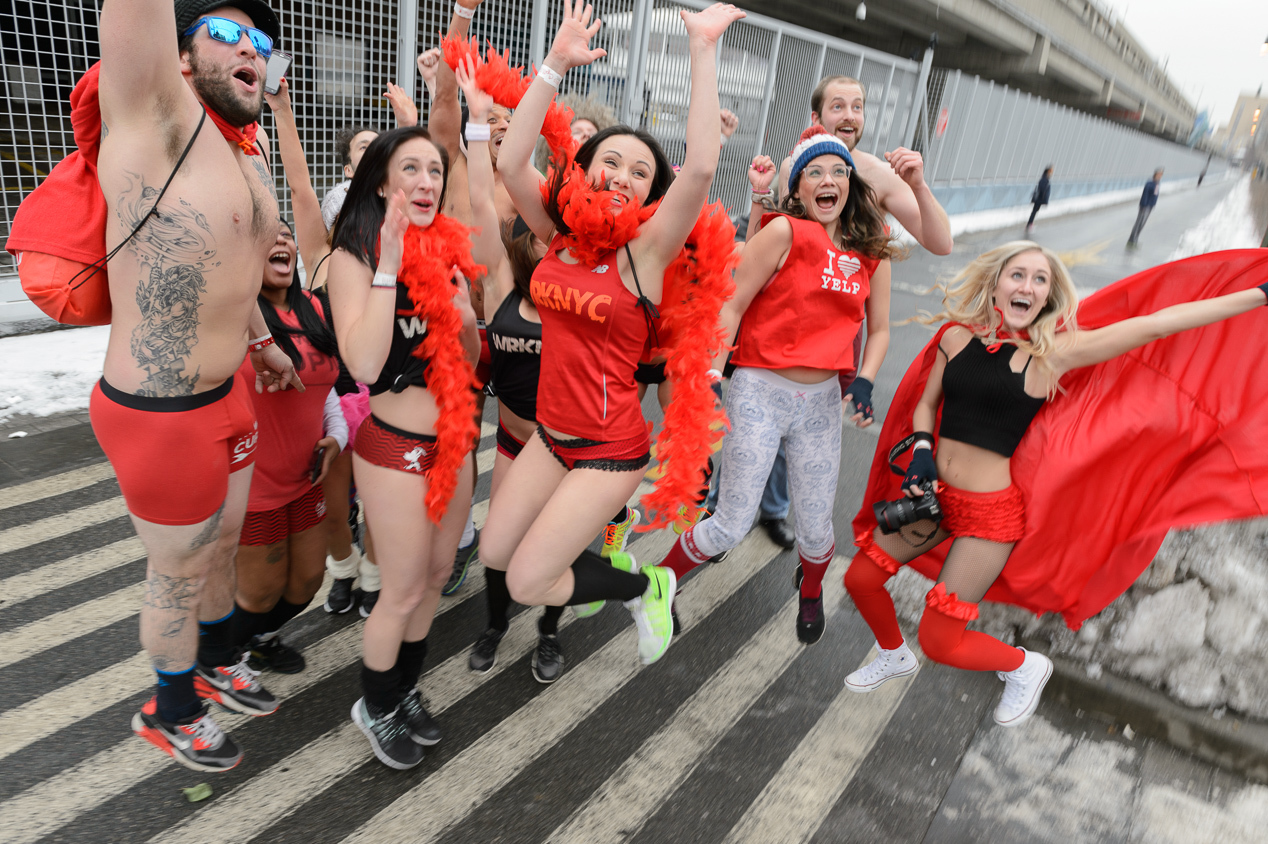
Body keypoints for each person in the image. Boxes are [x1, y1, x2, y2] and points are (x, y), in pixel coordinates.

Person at [842, 241, 1268, 728]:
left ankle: (1025, 666)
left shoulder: (1051, 355)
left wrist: (1258, 295)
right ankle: (893, 653)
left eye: (1040, 279)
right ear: (996, 283)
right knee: (861, 578)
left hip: (988, 516)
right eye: (1018, 274)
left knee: (941, 642)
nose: (1028, 285)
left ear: (1047, 297)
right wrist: (921, 450)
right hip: (935, 497)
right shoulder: (955, 338)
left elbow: (1156, 324)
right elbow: (925, 404)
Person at [483, 0, 744, 667]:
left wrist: (703, 48)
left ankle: (646, 583)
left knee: (527, 580)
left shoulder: (646, 254)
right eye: (611, 161)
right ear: (586, 168)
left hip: (608, 449)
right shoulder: (561, 240)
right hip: (550, 434)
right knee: (494, 551)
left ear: (651, 192)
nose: (622, 176)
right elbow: (513, 163)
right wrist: (554, 64)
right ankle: (610, 574)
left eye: (640, 171)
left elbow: (703, 170)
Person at [95, 0, 300, 772]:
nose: (255, 47)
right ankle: (170, 708)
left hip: (229, 389)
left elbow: (233, 270)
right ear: (181, 56)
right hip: (161, 411)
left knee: (223, 542)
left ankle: (215, 664)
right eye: (230, 32)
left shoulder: (238, 150)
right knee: (177, 570)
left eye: (262, 40)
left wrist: (265, 343)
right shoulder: (155, 117)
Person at [656, 132, 893, 644]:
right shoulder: (785, 232)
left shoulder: (873, 251)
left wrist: (867, 380)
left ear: (851, 184)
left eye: (839, 171)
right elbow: (732, 302)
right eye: (815, 172)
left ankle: (809, 590)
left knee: (817, 531)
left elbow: (882, 330)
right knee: (731, 523)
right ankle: (664, 580)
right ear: (800, 187)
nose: (828, 180)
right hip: (760, 390)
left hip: (822, 402)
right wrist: (712, 374)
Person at [327, 125, 481, 769]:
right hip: (394, 449)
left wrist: (467, 316)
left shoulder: (447, 249)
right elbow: (362, 363)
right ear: (383, 182)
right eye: (410, 169)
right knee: (403, 586)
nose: (426, 181)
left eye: (435, 171)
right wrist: (390, 261)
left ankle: (402, 688)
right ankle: (375, 704)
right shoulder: (353, 256)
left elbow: (472, 364)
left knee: (438, 576)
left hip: (457, 444)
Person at [452, 60, 571, 683]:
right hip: (515, 439)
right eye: (523, 233)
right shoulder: (500, 285)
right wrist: (476, 127)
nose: (534, 241)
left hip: (567, 446)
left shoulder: (580, 296)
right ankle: (496, 623)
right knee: (499, 545)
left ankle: (549, 634)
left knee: (554, 548)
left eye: (547, 235)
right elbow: (478, 200)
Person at [231, 217, 342, 672]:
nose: (281, 240)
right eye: (267, 235)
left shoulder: (315, 306)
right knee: (259, 592)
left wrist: (337, 435)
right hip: (251, 488)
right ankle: (216, 660)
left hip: (307, 477)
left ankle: (260, 640)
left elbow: (328, 388)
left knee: (306, 584)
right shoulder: (232, 317)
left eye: (286, 234)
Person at [1127, 168, 1163, 247]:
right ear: (1155, 174)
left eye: (1161, 174)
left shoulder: (1157, 184)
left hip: (1150, 206)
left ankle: (1135, 239)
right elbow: (1145, 195)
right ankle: (1131, 240)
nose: (1160, 176)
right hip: (1145, 206)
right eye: (1159, 174)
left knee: (1142, 224)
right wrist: (1143, 205)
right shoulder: (1150, 183)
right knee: (1139, 223)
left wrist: (1152, 205)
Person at [1026, 165, 1052, 232]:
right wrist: (1044, 199)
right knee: (1034, 211)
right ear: (1048, 171)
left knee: (1034, 211)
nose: (1051, 173)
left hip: (1039, 198)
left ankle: (1030, 224)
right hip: (1039, 198)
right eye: (1050, 171)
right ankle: (1029, 225)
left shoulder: (1045, 179)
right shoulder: (1044, 179)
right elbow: (1043, 190)